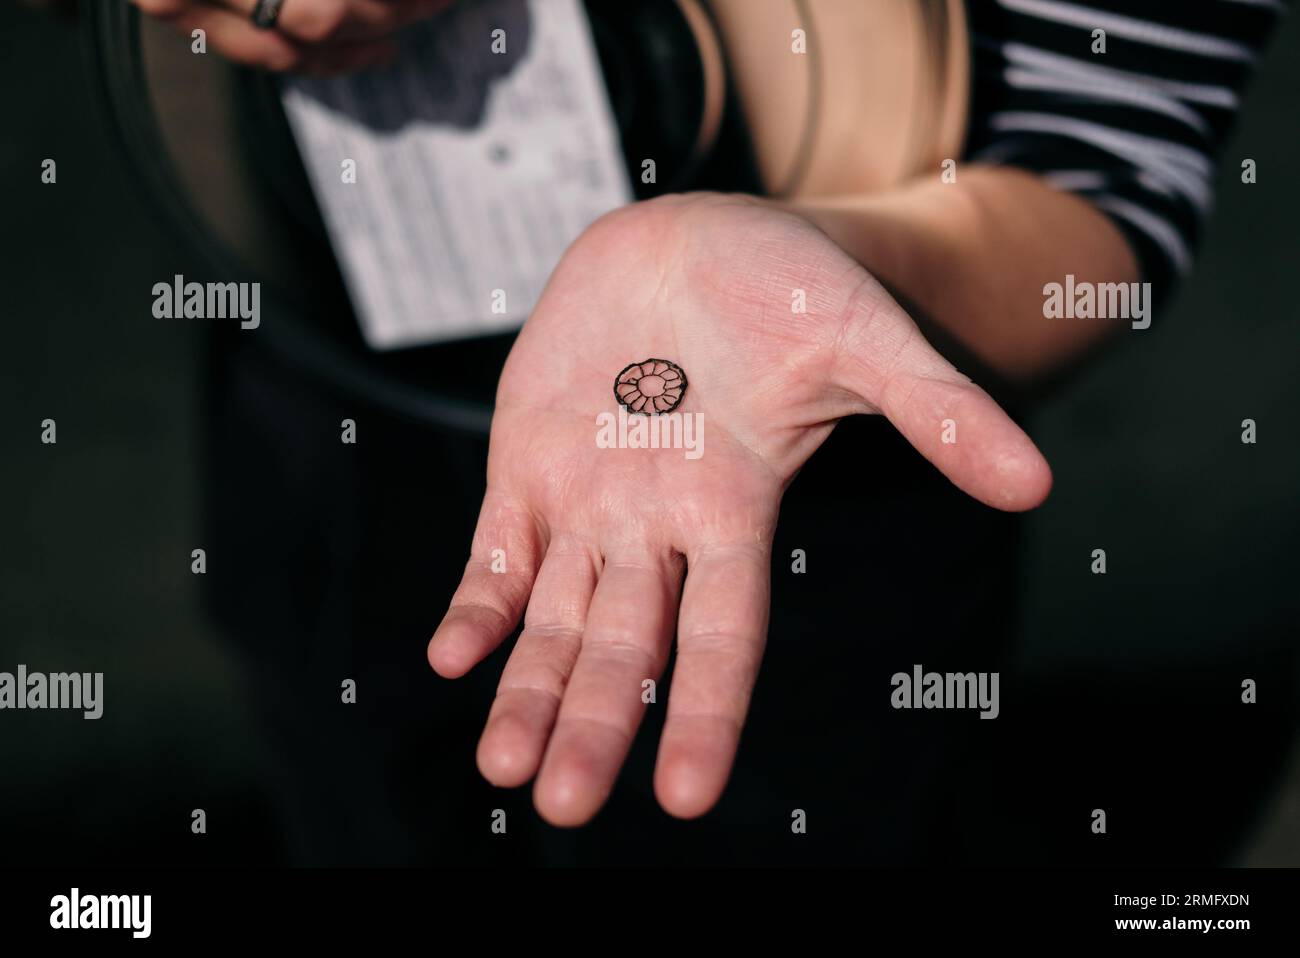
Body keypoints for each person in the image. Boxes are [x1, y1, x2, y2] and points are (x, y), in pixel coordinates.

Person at [129, 0, 1287, 863]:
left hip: (773, 466)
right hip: (332, 331)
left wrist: (814, 273)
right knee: (365, 788)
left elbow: (1105, 165)